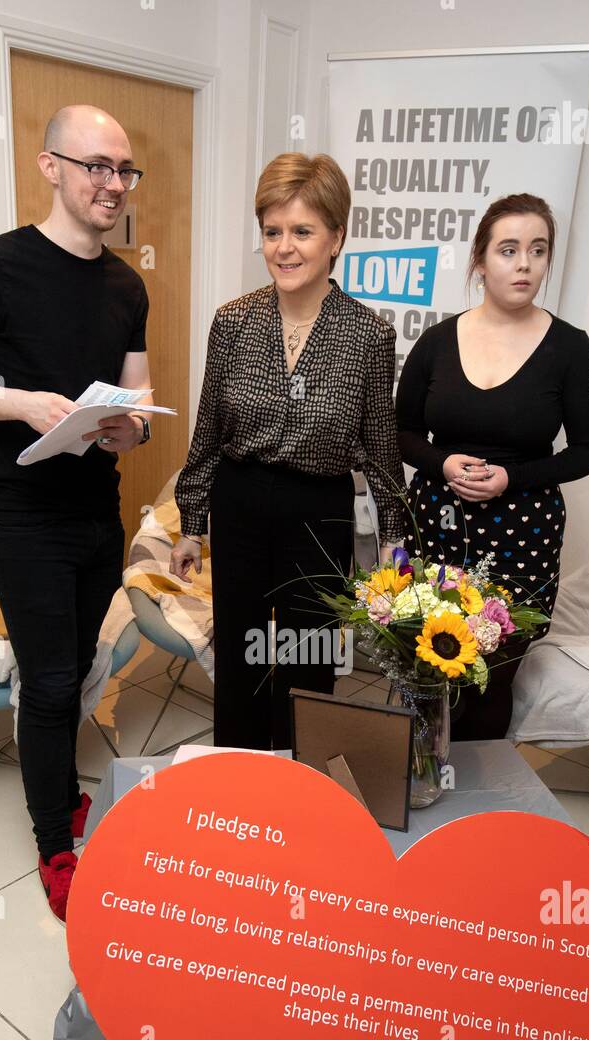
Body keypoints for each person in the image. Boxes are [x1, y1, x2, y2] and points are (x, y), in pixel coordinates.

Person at [0, 104, 151, 921]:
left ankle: (55, 788)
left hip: (98, 512)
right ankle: (55, 842)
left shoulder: (128, 283)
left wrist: (126, 427)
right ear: (50, 166)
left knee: (76, 669)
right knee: (49, 680)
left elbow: (136, 402)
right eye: (97, 166)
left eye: (124, 170)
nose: (113, 185)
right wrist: (19, 403)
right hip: (22, 516)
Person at [170, 152, 407, 750]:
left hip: (319, 508)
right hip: (241, 499)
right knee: (244, 656)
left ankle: (301, 782)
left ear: (336, 238)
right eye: (272, 232)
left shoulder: (368, 335)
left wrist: (393, 541)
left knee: (310, 657)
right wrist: (191, 523)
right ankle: (240, 779)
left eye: (302, 231)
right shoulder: (232, 322)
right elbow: (208, 433)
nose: (284, 247)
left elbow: (380, 451)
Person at [395, 192, 589, 740]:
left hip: (524, 535)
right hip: (437, 529)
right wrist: (442, 464)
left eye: (537, 251)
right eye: (508, 249)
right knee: (430, 663)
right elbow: (399, 432)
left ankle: (482, 807)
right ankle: (422, 785)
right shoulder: (438, 342)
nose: (524, 264)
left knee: (493, 675)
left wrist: (513, 478)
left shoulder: (571, 349)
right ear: (480, 260)